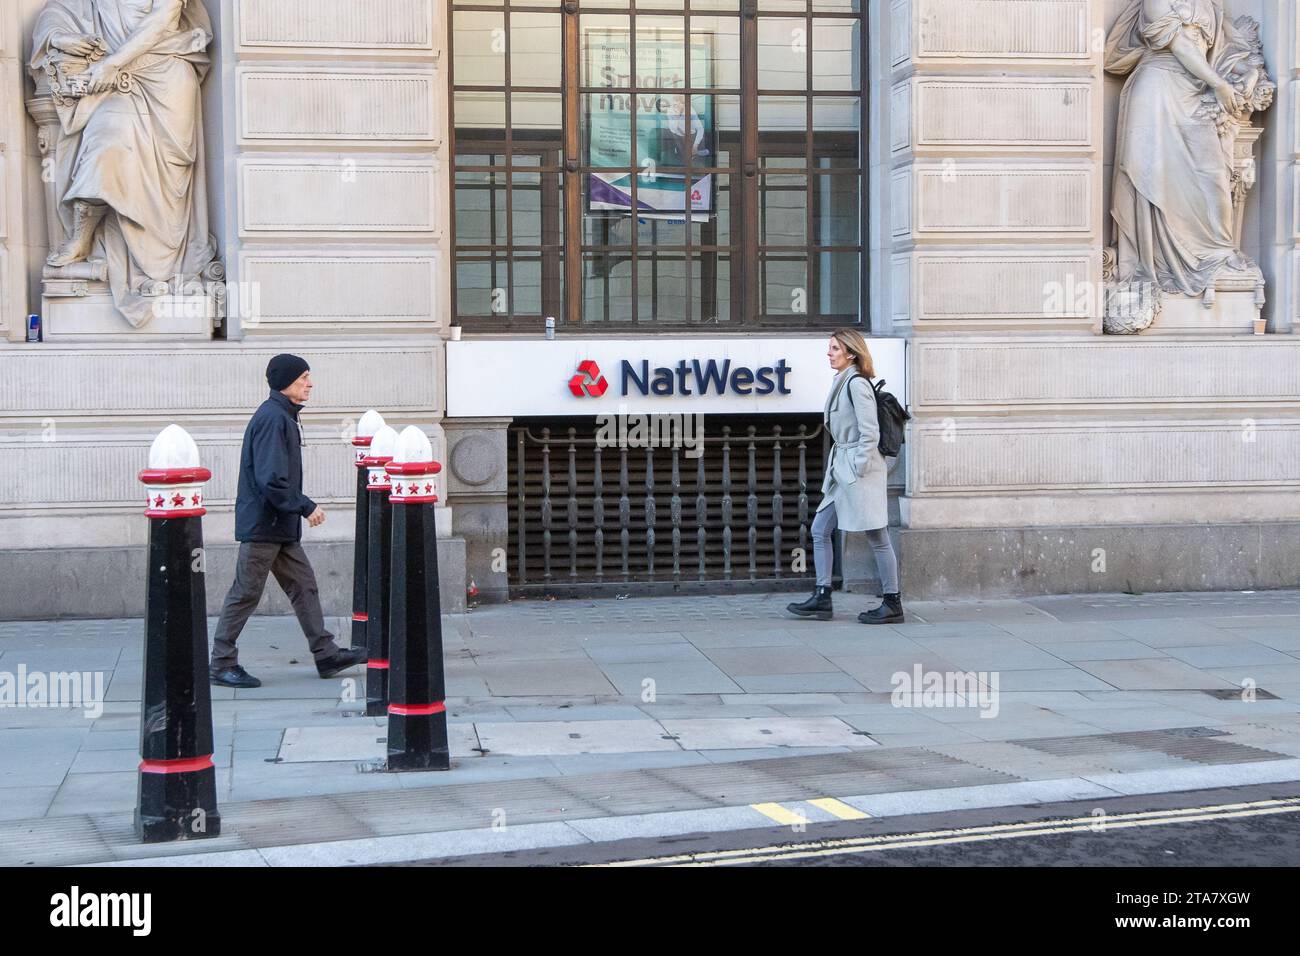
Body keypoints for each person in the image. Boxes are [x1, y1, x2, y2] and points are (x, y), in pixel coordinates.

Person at [209, 354, 366, 688]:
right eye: (304, 377)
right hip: (264, 526)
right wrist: (305, 506)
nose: (310, 384)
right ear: (286, 382)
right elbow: (271, 479)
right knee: (246, 593)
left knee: (303, 586)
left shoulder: (283, 416)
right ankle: (221, 663)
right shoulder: (273, 418)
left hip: (278, 526)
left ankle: (326, 654)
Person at [787, 329, 903, 625]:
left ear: (850, 353)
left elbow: (869, 431)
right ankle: (823, 595)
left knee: (877, 535)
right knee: (819, 529)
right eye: (830, 348)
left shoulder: (856, 384)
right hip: (842, 470)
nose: (829, 353)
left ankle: (892, 602)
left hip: (857, 470)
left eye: (835, 348)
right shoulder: (842, 382)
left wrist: (861, 468)